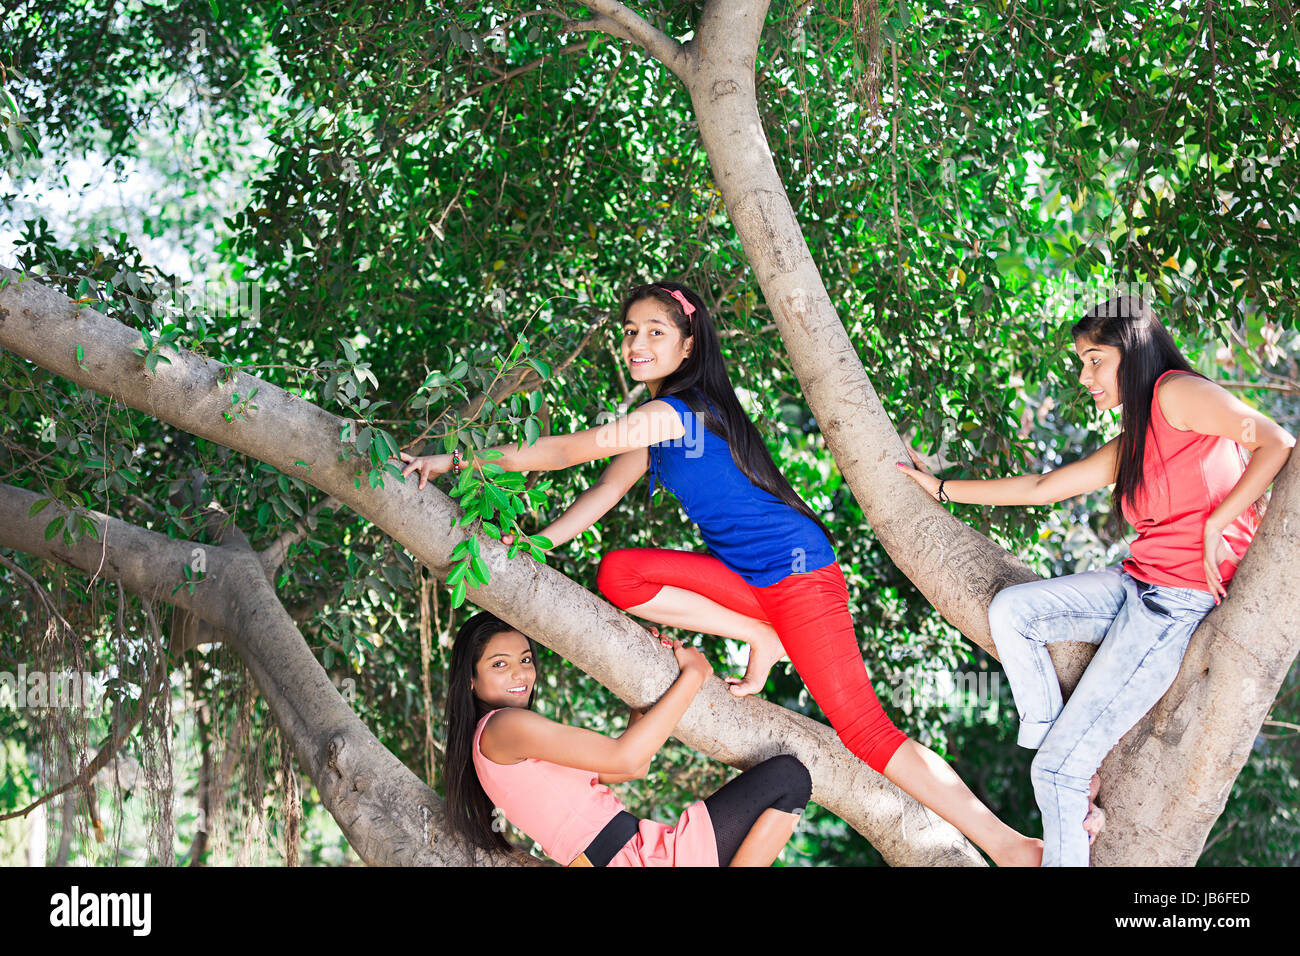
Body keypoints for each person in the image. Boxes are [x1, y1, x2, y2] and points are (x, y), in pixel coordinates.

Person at [406, 281, 1042, 866]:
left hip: (798, 575)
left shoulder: (674, 412)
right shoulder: (657, 420)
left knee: (866, 732)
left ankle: (1006, 844)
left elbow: (564, 451)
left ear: (688, 344)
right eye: (630, 330)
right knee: (621, 574)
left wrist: (452, 459)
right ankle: (761, 636)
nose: (637, 343)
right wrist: (539, 541)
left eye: (655, 331)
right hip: (756, 584)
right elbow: (603, 487)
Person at [897, 294, 1295, 866]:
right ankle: (1068, 757)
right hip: (1135, 584)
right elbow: (1041, 488)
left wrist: (1220, 522)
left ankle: (1070, 772)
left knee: (1054, 772)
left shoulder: (1176, 393)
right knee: (1013, 612)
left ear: (1130, 353)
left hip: (1174, 608)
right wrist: (940, 489)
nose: (1085, 375)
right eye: (1082, 362)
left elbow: (1275, 441)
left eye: (1094, 360)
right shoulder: (1137, 435)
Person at [443, 610, 811, 866]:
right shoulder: (504, 726)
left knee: (787, 784)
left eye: (525, 660)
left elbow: (631, 768)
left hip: (628, 853)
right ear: (470, 680)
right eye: (499, 664)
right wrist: (694, 675)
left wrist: (641, 692)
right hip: (629, 855)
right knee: (788, 779)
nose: (520, 674)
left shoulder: (503, 742)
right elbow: (626, 758)